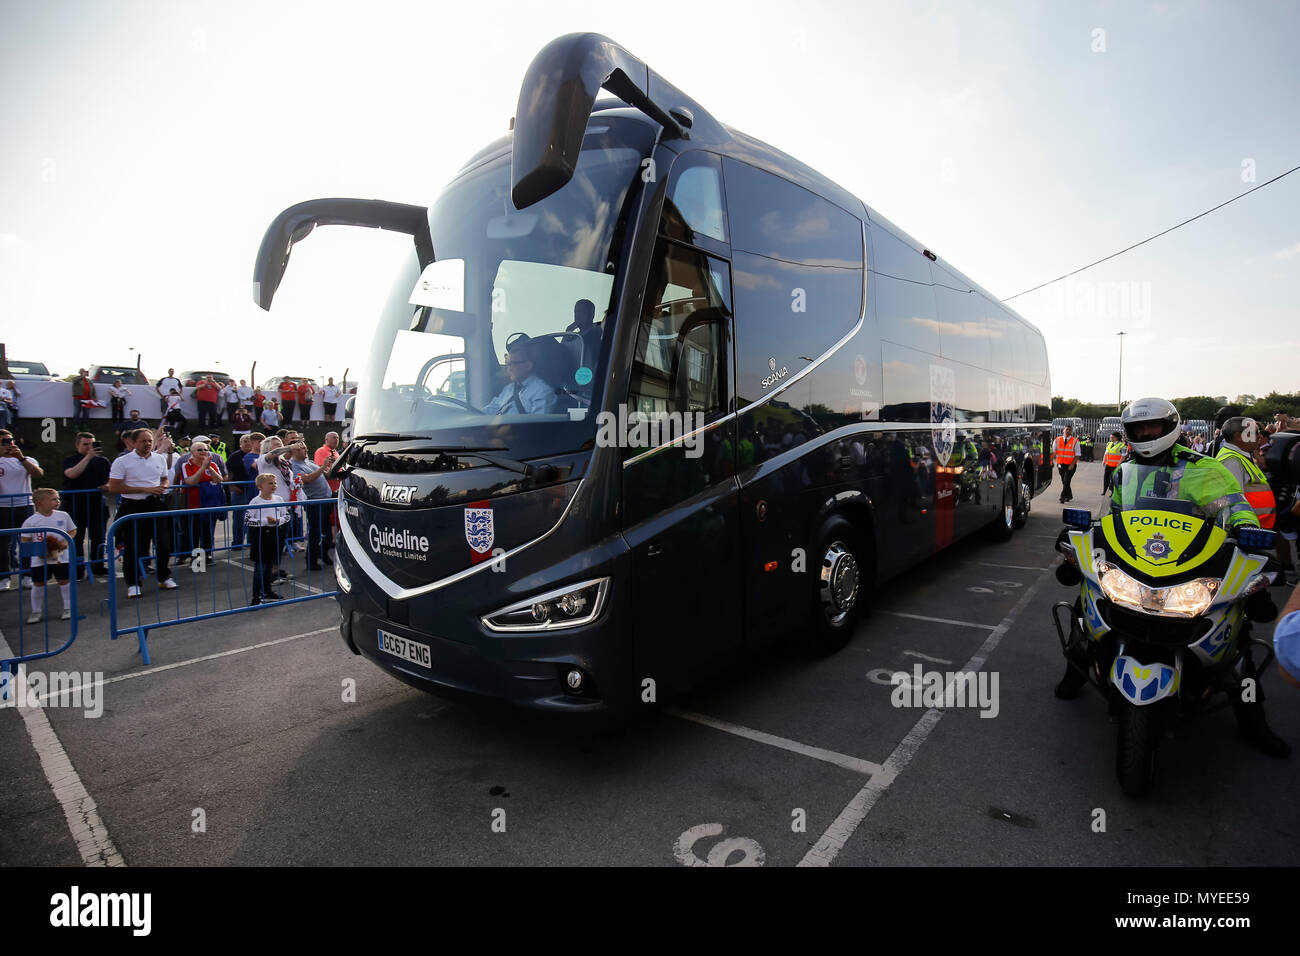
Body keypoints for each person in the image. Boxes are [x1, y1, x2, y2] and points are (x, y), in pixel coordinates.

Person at [1056, 397, 1286, 756]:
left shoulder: (1205, 469)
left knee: (1239, 643)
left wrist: (1245, 531)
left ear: (1170, 427)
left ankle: (1253, 721)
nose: (1146, 434)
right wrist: (1086, 543)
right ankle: (1076, 669)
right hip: (1137, 561)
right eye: (1138, 429)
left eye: (1153, 427)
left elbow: (1236, 506)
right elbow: (1113, 514)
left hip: (1193, 561)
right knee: (1087, 603)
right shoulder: (1124, 471)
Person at [106, 427, 177, 597]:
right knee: (133, 547)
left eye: (150, 441)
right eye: (143, 441)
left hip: (155, 504)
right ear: (133, 443)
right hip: (132, 506)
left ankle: (163, 577)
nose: (147, 444)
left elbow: (164, 478)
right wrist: (146, 489)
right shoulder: (122, 461)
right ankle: (133, 583)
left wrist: (163, 487)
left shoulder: (159, 459)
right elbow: (114, 486)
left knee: (164, 544)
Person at [20, 488, 75, 623]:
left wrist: (64, 542)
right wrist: (40, 552)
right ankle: (36, 611)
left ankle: (68, 608)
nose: (57, 501)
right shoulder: (31, 521)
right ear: (39, 503)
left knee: (64, 581)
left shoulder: (63, 515)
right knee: (38, 583)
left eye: (57, 499)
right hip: (39, 559)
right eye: (53, 499)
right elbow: (25, 541)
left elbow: (72, 530)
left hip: (61, 557)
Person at [62, 432, 110, 579]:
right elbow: (71, 474)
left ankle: (98, 565)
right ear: (77, 445)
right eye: (85, 444)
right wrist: (88, 457)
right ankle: (78, 569)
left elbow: (110, 479)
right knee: (77, 538)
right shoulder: (69, 460)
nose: (90, 447)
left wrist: (107, 486)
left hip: (97, 505)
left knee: (99, 537)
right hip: (75, 505)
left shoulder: (102, 461)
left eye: (92, 444)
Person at [0, 429, 44, 590]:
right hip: (2, 507)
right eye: (3, 442)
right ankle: (4, 577)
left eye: (10, 440)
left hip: (24, 505)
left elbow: (38, 474)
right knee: (3, 545)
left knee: (27, 541)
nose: (8, 444)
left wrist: (21, 458)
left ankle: (27, 574)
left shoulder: (27, 459)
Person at [1216, 417, 1275, 529]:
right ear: (1239, 436)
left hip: (1256, 529)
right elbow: (1232, 503)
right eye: (1255, 433)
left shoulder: (1239, 456)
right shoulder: (1232, 461)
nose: (1260, 436)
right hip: (1248, 531)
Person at [482, 336, 557, 415]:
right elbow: (490, 409)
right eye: (508, 364)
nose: (509, 369)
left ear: (528, 365)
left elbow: (537, 425)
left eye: (513, 364)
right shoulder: (508, 389)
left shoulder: (542, 391)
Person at [287, 441, 333, 570]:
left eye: (306, 448)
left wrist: (331, 466)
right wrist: (323, 467)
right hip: (314, 501)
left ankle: (322, 554)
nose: (306, 451)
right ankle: (311, 561)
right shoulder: (294, 465)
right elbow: (307, 479)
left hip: (325, 499)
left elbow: (326, 474)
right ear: (295, 451)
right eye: (303, 449)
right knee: (315, 533)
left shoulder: (310, 461)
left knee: (327, 532)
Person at [245, 473, 287, 605]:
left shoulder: (279, 499)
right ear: (260, 486)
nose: (273, 486)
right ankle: (256, 596)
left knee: (270, 565)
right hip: (261, 535)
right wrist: (265, 522)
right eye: (270, 483)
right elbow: (247, 520)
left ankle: (267, 591)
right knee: (260, 567)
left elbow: (286, 516)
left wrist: (277, 521)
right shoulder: (255, 501)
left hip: (275, 533)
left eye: (274, 483)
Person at [180, 440, 225, 561]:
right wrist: (202, 468)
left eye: (205, 449)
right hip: (195, 504)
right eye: (199, 450)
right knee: (194, 532)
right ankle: (194, 556)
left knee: (208, 531)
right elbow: (191, 481)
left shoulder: (213, 464)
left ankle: (207, 554)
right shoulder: (187, 465)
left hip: (210, 503)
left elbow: (219, 480)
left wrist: (209, 467)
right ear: (192, 452)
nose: (203, 452)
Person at [566, 298, 603, 368]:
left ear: (592, 314)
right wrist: (567, 332)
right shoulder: (573, 337)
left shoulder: (598, 332)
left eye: (582, 312)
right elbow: (562, 353)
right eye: (576, 312)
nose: (578, 315)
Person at [1052, 424, 1081, 503]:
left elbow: (1077, 455)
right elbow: (1054, 452)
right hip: (1060, 464)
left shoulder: (1075, 441)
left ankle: (1062, 497)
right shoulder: (1057, 440)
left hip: (1070, 465)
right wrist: (1051, 461)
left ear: (1071, 431)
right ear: (1063, 430)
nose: (1068, 431)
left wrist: (1072, 465)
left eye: (1070, 430)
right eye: (1066, 429)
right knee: (1065, 481)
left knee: (1066, 480)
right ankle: (1069, 495)